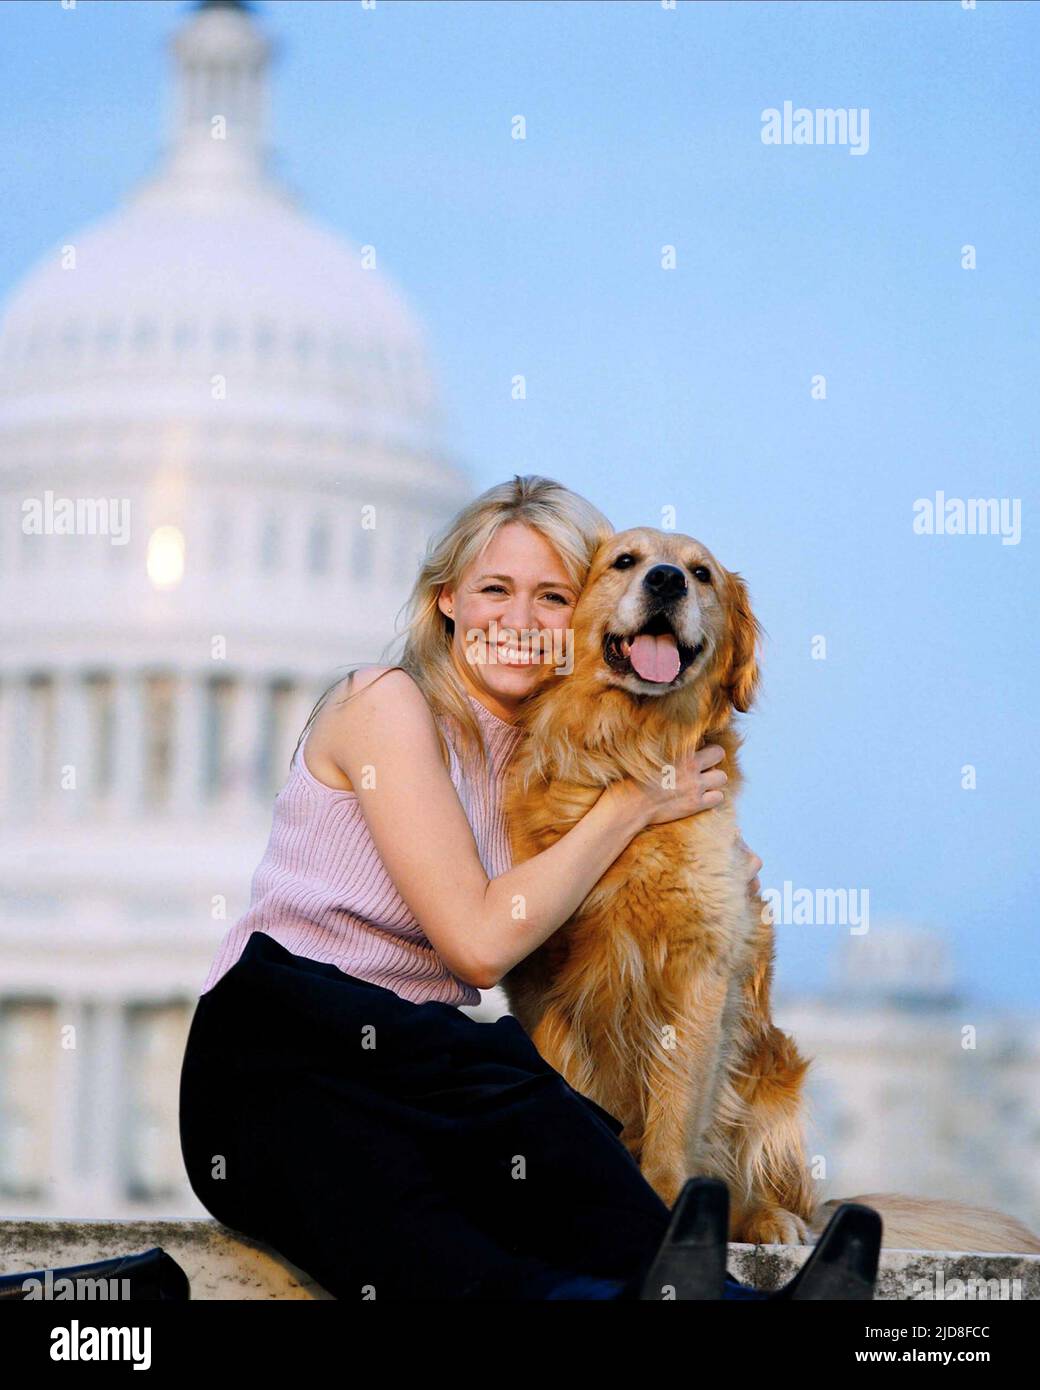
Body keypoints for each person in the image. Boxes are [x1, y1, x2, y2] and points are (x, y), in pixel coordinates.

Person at [178, 474, 880, 1300]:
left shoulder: (554, 755)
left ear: (586, 614)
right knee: (466, 1201)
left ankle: (737, 1305)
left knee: (552, 1148)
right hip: (289, 1043)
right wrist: (631, 806)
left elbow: (698, 881)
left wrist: (693, 840)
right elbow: (477, 946)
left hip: (421, 1062)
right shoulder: (384, 702)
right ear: (445, 601)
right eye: (494, 591)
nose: (520, 622)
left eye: (551, 596)